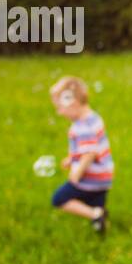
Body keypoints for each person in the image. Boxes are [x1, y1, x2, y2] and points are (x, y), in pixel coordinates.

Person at [49, 76, 112, 234]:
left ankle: (94, 215)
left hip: (90, 177)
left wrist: (77, 172)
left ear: (73, 102)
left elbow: (89, 153)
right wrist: (72, 158)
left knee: (59, 199)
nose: (59, 112)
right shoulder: (93, 118)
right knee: (96, 203)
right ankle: (102, 223)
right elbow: (92, 146)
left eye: (60, 107)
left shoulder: (81, 126)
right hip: (105, 176)